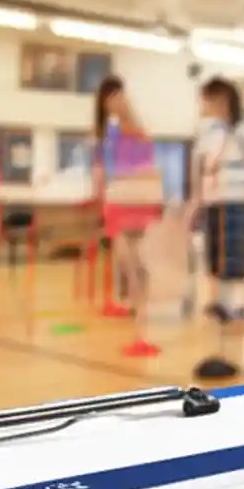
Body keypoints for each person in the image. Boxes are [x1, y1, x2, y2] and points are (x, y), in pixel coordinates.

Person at [92, 76, 161, 329]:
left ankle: (140, 300)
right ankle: (137, 299)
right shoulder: (106, 132)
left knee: (133, 251)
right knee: (124, 251)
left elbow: (145, 151)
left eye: (118, 95)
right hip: (118, 193)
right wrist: (100, 195)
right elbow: (100, 166)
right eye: (109, 98)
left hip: (138, 192)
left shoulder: (130, 126)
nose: (114, 101)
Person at [191, 77, 244, 324]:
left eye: (207, 100)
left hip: (236, 198)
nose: (204, 106)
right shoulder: (206, 131)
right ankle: (219, 302)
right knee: (216, 252)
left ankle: (236, 304)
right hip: (214, 200)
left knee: (235, 252)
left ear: (222, 100)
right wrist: (197, 200)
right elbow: (200, 167)